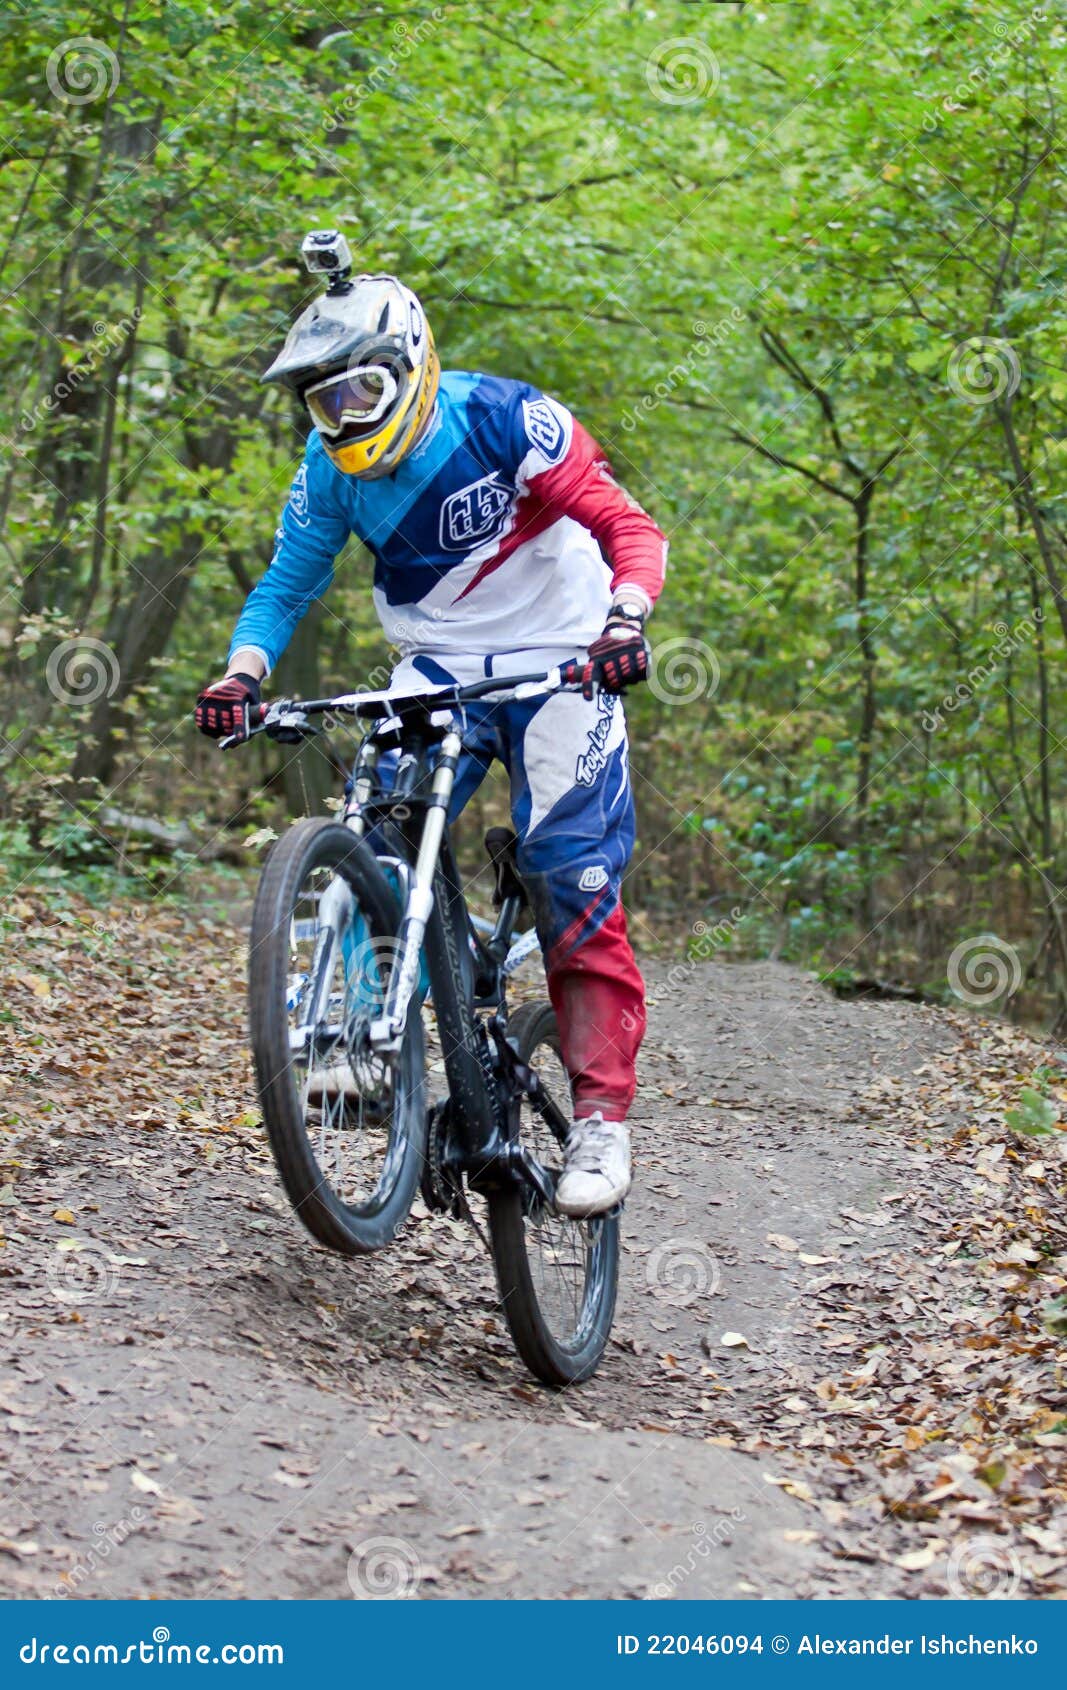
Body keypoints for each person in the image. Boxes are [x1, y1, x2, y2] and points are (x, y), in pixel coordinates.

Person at [195, 237, 667, 1216]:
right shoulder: (329, 473)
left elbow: (626, 524)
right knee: (377, 831)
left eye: (361, 392)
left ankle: (598, 1124)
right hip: (439, 669)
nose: (343, 418)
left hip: (566, 652)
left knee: (571, 874)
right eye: (323, 403)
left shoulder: (505, 417)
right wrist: (243, 674)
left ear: (410, 366)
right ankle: (354, 1042)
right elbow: (286, 584)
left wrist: (625, 619)